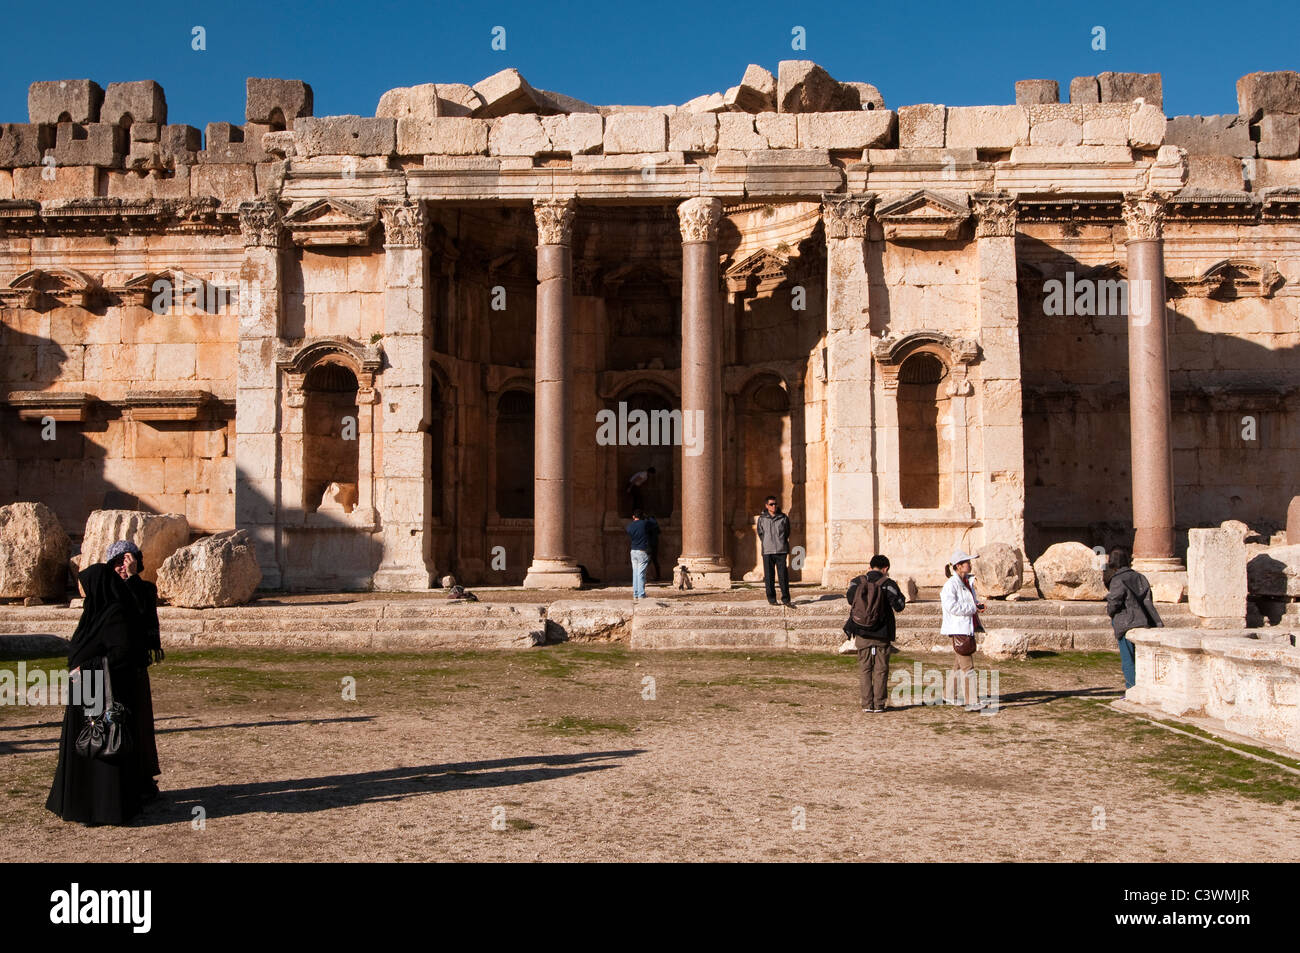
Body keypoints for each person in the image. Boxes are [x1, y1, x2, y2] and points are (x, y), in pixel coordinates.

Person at [46, 541, 162, 825]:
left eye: (127, 561)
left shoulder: (126, 602)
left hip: (114, 679)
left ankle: (117, 798)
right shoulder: (98, 608)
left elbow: (131, 632)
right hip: (92, 682)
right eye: (117, 564)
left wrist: (86, 668)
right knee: (92, 740)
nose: (122, 567)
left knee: (111, 738)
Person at [844, 555, 907, 712]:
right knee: (881, 669)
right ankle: (879, 704)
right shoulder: (888, 584)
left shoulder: (857, 581)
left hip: (861, 631)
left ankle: (867, 704)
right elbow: (899, 606)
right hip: (882, 632)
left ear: (870, 567)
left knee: (865, 669)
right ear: (885, 569)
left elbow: (850, 599)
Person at [1105, 547, 1163, 690]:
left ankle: (1132, 689)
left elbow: (1114, 602)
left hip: (1126, 623)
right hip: (1145, 621)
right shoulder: (1140, 577)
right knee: (1142, 659)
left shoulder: (1117, 580)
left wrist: (1111, 612)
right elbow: (1147, 599)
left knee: (1128, 659)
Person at [940, 548, 986, 712]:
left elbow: (969, 601)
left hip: (967, 627)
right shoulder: (950, 585)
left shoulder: (967, 582)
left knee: (959, 665)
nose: (970, 564)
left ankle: (948, 694)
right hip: (959, 628)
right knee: (968, 668)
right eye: (966, 562)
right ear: (958, 566)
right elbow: (951, 606)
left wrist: (977, 605)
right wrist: (973, 608)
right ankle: (971, 701)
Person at [756, 495, 792, 606]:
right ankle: (772, 599)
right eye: (771, 504)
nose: (774, 506)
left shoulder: (783, 518)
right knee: (769, 576)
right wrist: (767, 542)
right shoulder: (762, 519)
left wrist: (780, 541)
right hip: (768, 551)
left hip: (781, 550)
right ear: (766, 506)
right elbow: (760, 533)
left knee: (783, 576)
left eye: (775, 504)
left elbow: (787, 532)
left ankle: (786, 599)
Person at [626, 510, 653, 600]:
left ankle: (635, 593)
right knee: (641, 573)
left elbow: (628, 531)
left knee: (635, 573)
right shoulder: (644, 524)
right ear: (642, 516)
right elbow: (653, 524)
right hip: (642, 551)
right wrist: (647, 518)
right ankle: (641, 594)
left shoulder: (630, 526)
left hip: (633, 551)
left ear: (633, 516)